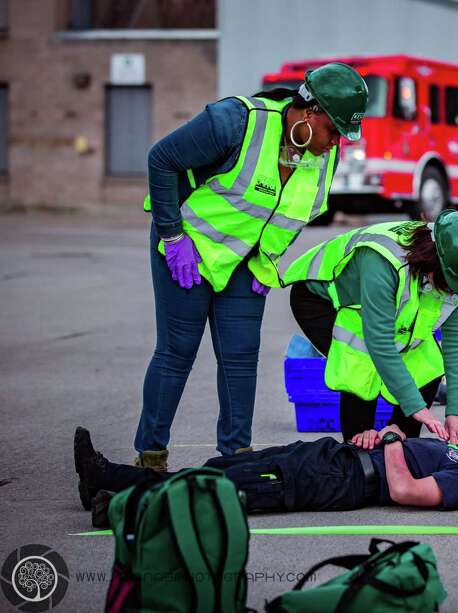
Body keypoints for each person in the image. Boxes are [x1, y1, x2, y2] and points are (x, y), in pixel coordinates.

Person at [134, 63, 369, 471]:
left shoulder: (323, 156)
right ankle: (151, 457)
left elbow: (296, 213)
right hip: (189, 249)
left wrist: (269, 257)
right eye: (333, 131)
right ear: (310, 111)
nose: (336, 143)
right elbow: (161, 159)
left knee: (241, 355)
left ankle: (236, 460)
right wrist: (172, 236)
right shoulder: (235, 122)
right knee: (177, 352)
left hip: (245, 260)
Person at [284, 211, 458, 447]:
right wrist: (416, 407)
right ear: (434, 259)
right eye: (448, 282)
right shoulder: (382, 261)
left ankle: (399, 442)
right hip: (322, 299)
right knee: (361, 363)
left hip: (381, 296)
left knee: (425, 363)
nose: (453, 291)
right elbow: (379, 343)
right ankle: (358, 447)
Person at [73, 425, 458, 527]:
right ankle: (106, 480)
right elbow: (406, 458)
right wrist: (379, 437)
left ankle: (116, 505)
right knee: (219, 470)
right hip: (336, 459)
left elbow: (406, 489)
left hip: (335, 481)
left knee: (218, 491)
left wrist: (391, 440)